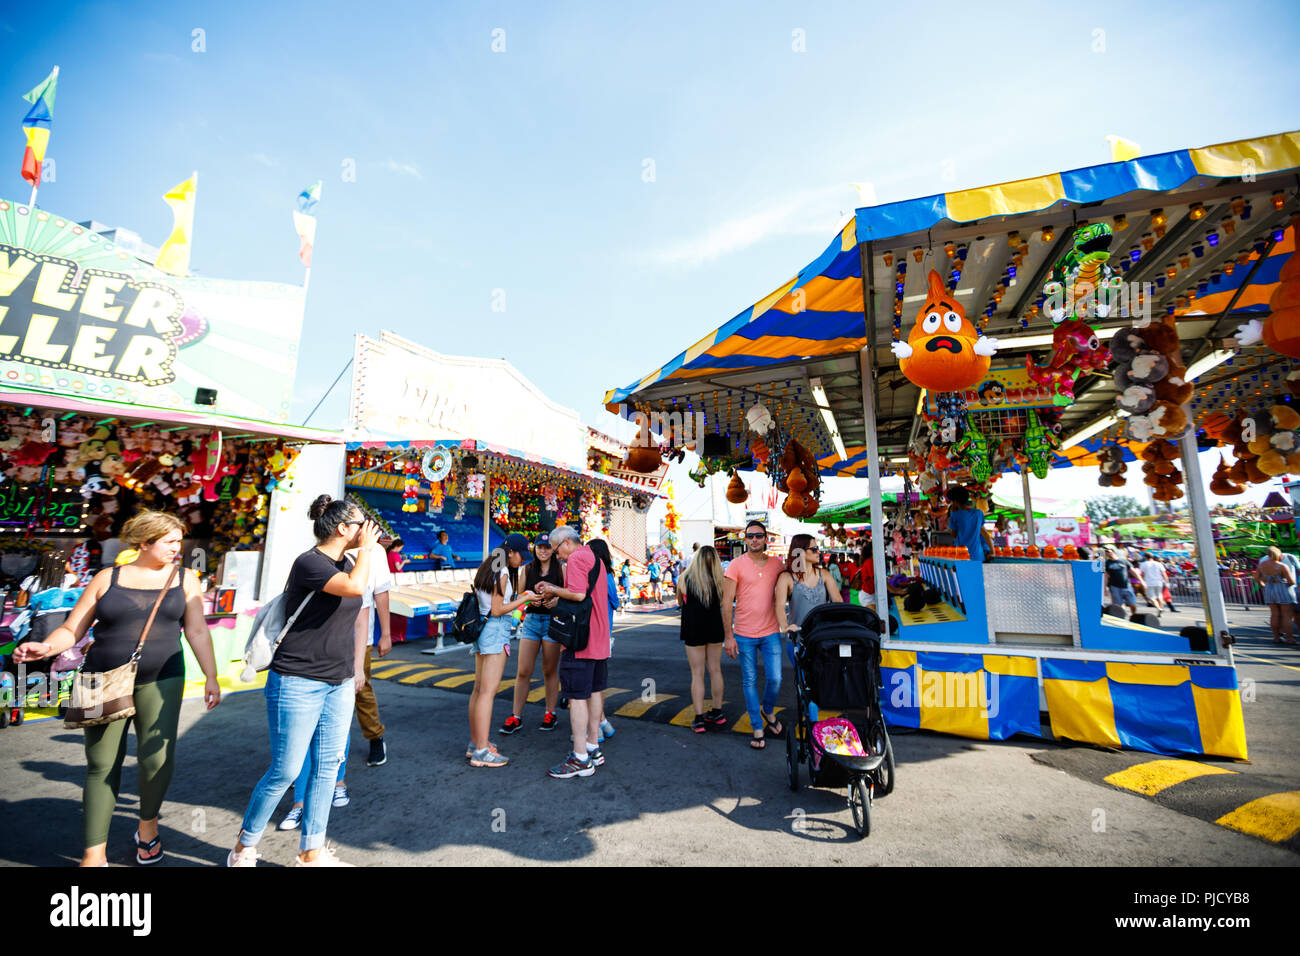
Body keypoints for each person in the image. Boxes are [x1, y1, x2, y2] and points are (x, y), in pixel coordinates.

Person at [14, 510, 220, 868]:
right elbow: (72, 629)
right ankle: (94, 854)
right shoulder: (107, 578)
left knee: (157, 760)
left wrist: (212, 676)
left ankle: (148, 826)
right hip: (101, 679)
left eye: (179, 541)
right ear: (145, 542)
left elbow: (197, 630)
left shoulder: (186, 579)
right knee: (100, 764)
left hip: (163, 678)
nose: (178, 547)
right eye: (170, 541)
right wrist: (46, 647)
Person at [227, 497, 378, 867]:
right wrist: (371, 551)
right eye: (362, 523)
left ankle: (311, 851)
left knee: (328, 767)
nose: (368, 529)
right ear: (343, 529)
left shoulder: (347, 563)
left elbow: (358, 614)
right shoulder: (310, 563)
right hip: (297, 680)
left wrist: (356, 668)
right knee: (286, 770)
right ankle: (243, 848)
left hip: (338, 681)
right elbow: (356, 589)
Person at [278, 533, 393, 831]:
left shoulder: (373, 553)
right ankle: (301, 799)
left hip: (354, 645)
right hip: (311, 651)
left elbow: (373, 595)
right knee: (307, 727)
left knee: (355, 699)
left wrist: (385, 634)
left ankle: (371, 741)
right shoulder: (312, 557)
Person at [537, 525, 611, 778]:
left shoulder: (578, 557)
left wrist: (552, 589)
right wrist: (557, 597)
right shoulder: (595, 557)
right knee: (595, 691)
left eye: (557, 550)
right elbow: (585, 595)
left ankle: (580, 757)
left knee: (577, 697)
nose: (557, 556)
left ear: (567, 543)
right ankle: (593, 747)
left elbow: (578, 595)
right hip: (599, 638)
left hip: (581, 639)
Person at [468, 534, 536, 767]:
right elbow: (498, 610)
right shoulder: (504, 572)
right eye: (520, 555)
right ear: (511, 553)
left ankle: (476, 742)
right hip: (495, 629)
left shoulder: (487, 567)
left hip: (482, 629)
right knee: (488, 692)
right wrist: (524, 599)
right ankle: (482, 751)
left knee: (478, 690)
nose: (521, 560)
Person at [722, 520, 784, 750]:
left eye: (759, 535)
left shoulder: (777, 565)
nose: (755, 539)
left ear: (766, 538)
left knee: (776, 678)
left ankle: (767, 710)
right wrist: (728, 636)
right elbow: (727, 602)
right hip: (744, 634)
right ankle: (757, 727)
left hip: (770, 632)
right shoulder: (736, 565)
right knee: (749, 681)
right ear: (745, 539)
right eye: (751, 536)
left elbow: (790, 587)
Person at [501, 533, 565, 736]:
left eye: (547, 547)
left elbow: (569, 593)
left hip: (553, 623)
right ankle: (516, 716)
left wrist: (555, 599)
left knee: (549, 671)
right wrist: (530, 599)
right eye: (540, 547)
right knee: (523, 671)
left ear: (553, 550)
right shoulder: (527, 569)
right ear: (534, 549)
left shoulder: (560, 569)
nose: (543, 551)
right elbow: (520, 596)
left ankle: (550, 712)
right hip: (531, 622)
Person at [678, 545, 727, 733]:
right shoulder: (720, 581)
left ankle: (698, 719)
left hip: (693, 629)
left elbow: (680, 602)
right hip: (715, 628)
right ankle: (717, 712)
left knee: (697, 673)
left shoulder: (685, 579)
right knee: (715, 670)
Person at [775, 534, 844, 635]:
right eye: (814, 549)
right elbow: (780, 606)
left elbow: (838, 602)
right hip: (798, 637)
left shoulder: (824, 574)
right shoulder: (786, 577)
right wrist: (785, 626)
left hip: (822, 636)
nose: (818, 552)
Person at [588, 538, 620, 742]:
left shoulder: (596, 576)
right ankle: (602, 723)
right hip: (605, 634)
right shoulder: (608, 575)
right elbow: (615, 601)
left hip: (593, 634)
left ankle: (596, 727)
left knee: (590, 683)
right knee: (597, 682)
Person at [1254, 546, 1298, 645]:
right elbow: (1291, 581)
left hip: (1269, 589)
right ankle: (1290, 639)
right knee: (1287, 615)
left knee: (1274, 614)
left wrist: (1263, 585)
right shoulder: (1282, 566)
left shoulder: (1262, 565)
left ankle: (1276, 637)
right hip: (1283, 589)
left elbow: (1256, 578)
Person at [947, 485, 990, 560]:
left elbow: (954, 534)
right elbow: (985, 534)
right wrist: (992, 552)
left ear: (955, 502)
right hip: (978, 555)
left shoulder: (955, 515)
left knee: (966, 572)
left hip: (963, 555)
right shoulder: (979, 513)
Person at [1103, 547, 1139, 617]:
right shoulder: (1106, 563)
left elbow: (1133, 571)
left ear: (1114, 551)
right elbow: (1105, 576)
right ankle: (1123, 617)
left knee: (1132, 603)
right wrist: (1105, 588)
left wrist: (1141, 581)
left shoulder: (1123, 560)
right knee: (1118, 604)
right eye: (1106, 552)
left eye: (1108, 551)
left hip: (1126, 585)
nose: (1107, 553)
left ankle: (1133, 615)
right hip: (1114, 586)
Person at [385, 536, 408, 643]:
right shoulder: (395, 555)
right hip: (398, 581)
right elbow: (398, 568)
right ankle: (399, 636)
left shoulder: (388, 553)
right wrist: (404, 562)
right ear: (398, 546)